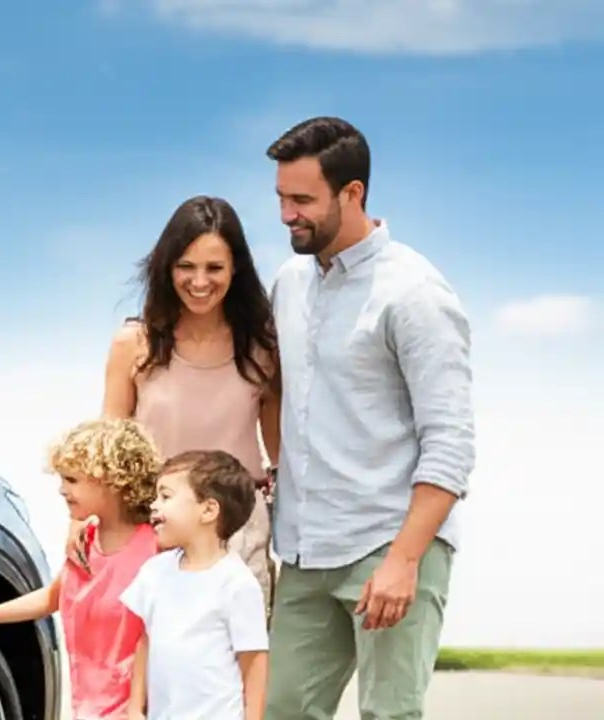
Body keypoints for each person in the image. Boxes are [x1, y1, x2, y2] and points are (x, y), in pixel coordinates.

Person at [262, 116, 475, 720]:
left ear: (352, 194)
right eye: (281, 198)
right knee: (281, 711)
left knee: (388, 715)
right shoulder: (289, 282)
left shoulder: (415, 293)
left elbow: (451, 441)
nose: (286, 215)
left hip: (389, 542)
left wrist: (405, 558)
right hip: (304, 550)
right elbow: (277, 390)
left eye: (302, 200)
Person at [70, 194, 282, 610]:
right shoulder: (134, 343)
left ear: (235, 269)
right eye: (186, 266)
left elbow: (279, 450)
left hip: (238, 527)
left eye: (214, 268)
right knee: (154, 662)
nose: (199, 281)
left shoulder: (263, 347)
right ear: (166, 268)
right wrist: (81, 516)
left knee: (237, 661)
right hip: (154, 527)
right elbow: (107, 448)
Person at [0, 417, 162, 720]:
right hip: (87, 708)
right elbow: (52, 597)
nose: (62, 490)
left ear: (113, 482)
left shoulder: (154, 551)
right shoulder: (85, 545)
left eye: (72, 480)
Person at [121, 450, 269, 720]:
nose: (154, 505)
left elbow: (254, 662)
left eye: (166, 497)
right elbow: (145, 641)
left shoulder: (236, 583)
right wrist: (134, 708)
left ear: (209, 510)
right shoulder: (155, 572)